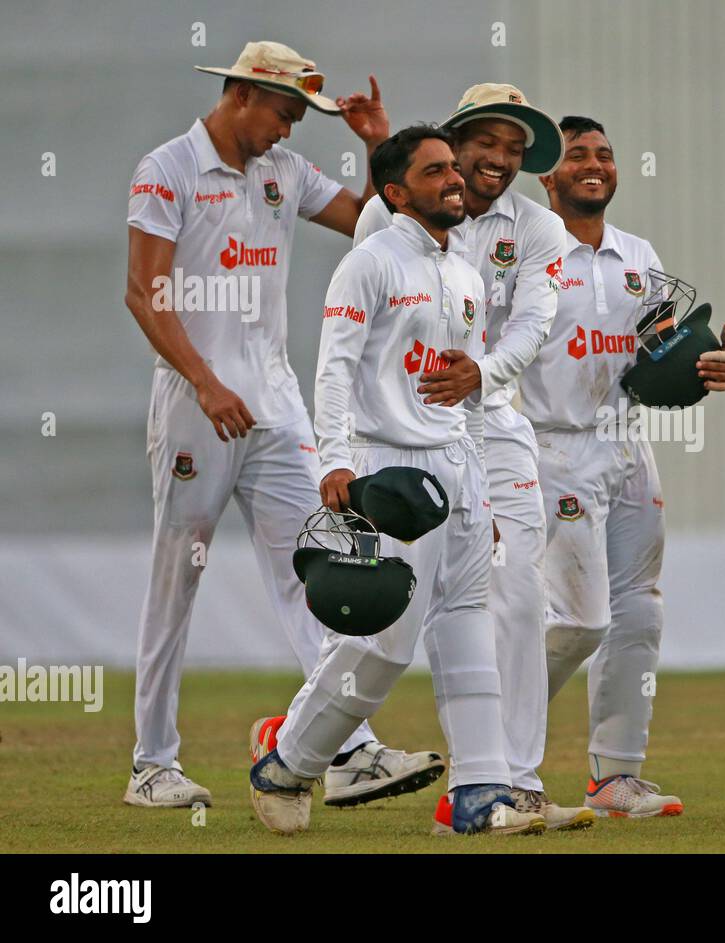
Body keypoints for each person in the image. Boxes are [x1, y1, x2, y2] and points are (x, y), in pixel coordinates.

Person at [124, 40, 439, 809]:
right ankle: (151, 763)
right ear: (240, 95)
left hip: (275, 404)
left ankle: (345, 748)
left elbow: (371, 224)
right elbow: (143, 292)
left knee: (321, 565)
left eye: (299, 118)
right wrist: (204, 382)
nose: (289, 131)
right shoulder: (166, 169)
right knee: (178, 580)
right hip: (198, 408)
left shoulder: (283, 174)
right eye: (284, 113)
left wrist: (376, 145)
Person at [248, 125, 544, 837]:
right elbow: (334, 367)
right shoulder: (371, 261)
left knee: (470, 621)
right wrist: (336, 462)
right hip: (387, 471)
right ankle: (288, 761)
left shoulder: (466, 273)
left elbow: (467, 394)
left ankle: (480, 791)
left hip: (458, 477)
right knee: (383, 641)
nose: (455, 179)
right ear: (394, 190)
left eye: (453, 167)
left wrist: (480, 485)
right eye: (435, 169)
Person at [353, 85, 591, 830]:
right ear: (456, 142)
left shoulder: (542, 228)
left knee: (518, 592)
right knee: (392, 613)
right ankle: (307, 741)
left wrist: (480, 374)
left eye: (516, 151)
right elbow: (365, 320)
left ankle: (507, 783)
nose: (500, 160)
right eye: (488, 142)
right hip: (405, 432)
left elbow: (534, 322)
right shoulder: (387, 217)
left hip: (493, 423)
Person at [530, 116, 725, 816]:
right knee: (578, 620)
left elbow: (660, 357)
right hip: (553, 445)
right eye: (578, 156)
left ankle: (616, 776)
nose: (595, 165)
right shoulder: (527, 251)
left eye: (605, 155)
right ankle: (492, 747)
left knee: (640, 612)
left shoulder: (636, 253)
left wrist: (713, 367)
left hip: (627, 445)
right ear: (548, 177)